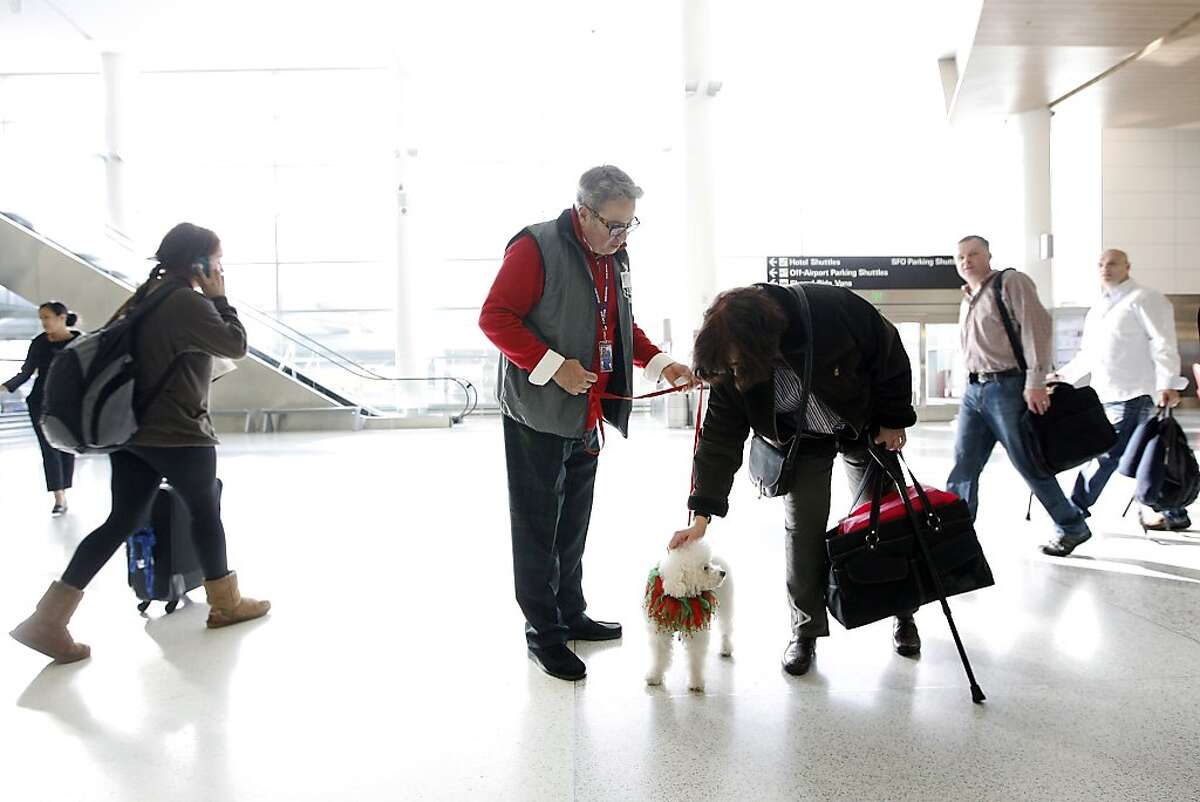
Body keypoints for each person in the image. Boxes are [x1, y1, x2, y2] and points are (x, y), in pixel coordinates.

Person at [9, 222, 270, 664]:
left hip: (133, 432)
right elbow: (235, 343)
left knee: (121, 521)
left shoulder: (147, 296)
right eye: (217, 260)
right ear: (200, 263)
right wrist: (220, 297)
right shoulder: (187, 301)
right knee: (205, 512)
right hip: (179, 430)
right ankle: (226, 605)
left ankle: (48, 620)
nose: (221, 268)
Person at [479, 165, 696, 682]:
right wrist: (555, 365)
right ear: (582, 212)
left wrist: (662, 362)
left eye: (629, 226)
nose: (621, 237)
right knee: (537, 526)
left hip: (585, 414)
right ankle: (544, 634)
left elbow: (619, 323)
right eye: (613, 226)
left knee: (573, 520)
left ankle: (570, 612)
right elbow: (495, 317)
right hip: (537, 412)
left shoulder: (612, 254)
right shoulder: (535, 247)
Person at [667, 282, 919, 677]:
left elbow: (888, 350)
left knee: (887, 522)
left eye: (737, 365)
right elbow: (719, 437)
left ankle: (903, 612)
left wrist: (893, 418)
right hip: (800, 441)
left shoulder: (830, 310)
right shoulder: (728, 358)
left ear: (760, 344)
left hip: (863, 426)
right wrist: (702, 514)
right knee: (802, 532)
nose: (734, 373)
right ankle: (805, 632)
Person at [945, 235, 1092, 556]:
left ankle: (1071, 525)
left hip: (1008, 388)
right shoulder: (967, 297)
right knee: (963, 465)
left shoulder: (1010, 282)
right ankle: (955, 536)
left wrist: (1035, 381)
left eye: (973, 254)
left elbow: (1037, 328)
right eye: (960, 257)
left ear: (988, 256)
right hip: (974, 391)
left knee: (1028, 462)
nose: (966, 261)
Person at [1055, 249, 1189, 531]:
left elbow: (1162, 342)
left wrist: (1167, 382)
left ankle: (1074, 511)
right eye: (1101, 264)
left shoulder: (1144, 299)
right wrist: (1062, 376)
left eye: (1113, 263)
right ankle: (1175, 511)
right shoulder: (1098, 308)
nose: (1106, 268)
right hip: (1105, 393)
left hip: (1134, 393)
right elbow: (1089, 354)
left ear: (1128, 266)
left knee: (1105, 453)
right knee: (1141, 454)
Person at [1, 301, 81, 516]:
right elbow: (26, 372)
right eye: (41, 318)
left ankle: (65, 487)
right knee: (48, 448)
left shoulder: (79, 341)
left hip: (68, 403)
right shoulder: (39, 342)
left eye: (47, 317)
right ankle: (59, 496)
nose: (44, 322)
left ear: (62, 317)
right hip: (40, 403)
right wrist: (5, 387)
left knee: (67, 446)